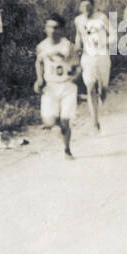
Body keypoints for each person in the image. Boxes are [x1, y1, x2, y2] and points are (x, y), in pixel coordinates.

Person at [35, 13, 79, 158]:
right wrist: (39, 79)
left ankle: (67, 149)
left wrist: (75, 76)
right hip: (50, 86)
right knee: (49, 121)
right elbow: (39, 62)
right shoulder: (42, 46)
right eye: (49, 27)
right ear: (45, 29)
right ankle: (60, 125)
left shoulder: (68, 45)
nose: (52, 30)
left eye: (56, 27)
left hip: (66, 86)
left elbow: (77, 65)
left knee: (66, 119)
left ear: (61, 29)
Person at [73, 0, 114, 132]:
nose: (86, 9)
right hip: (87, 57)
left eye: (88, 6)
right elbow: (79, 36)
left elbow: (113, 35)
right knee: (90, 88)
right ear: (80, 8)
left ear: (93, 6)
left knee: (104, 87)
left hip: (102, 55)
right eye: (83, 7)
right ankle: (95, 122)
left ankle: (103, 92)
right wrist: (77, 47)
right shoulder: (78, 20)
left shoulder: (101, 18)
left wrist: (104, 42)